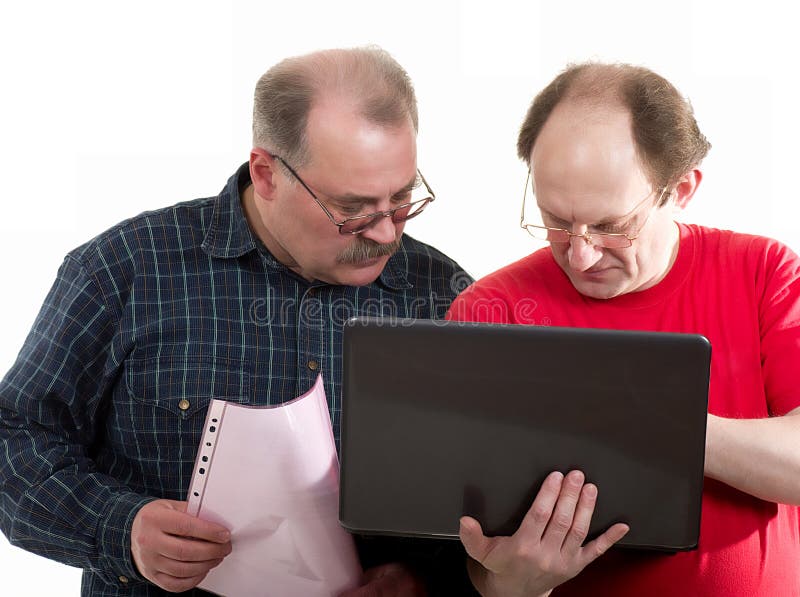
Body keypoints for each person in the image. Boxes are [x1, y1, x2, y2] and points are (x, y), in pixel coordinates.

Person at [0, 46, 479, 597]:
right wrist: (122, 529)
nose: (386, 233)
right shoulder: (124, 270)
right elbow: (16, 439)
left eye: (402, 199)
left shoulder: (445, 295)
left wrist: (423, 579)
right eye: (354, 209)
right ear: (267, 173)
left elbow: (482, 502)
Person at [447, 62, 800, 596]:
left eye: (611, 227)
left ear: (680, 189)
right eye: (556, 222)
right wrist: (515, 584)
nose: (582, 255)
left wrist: (651, 427)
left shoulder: (764, 272)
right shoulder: (488, 310)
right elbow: (477, 560)